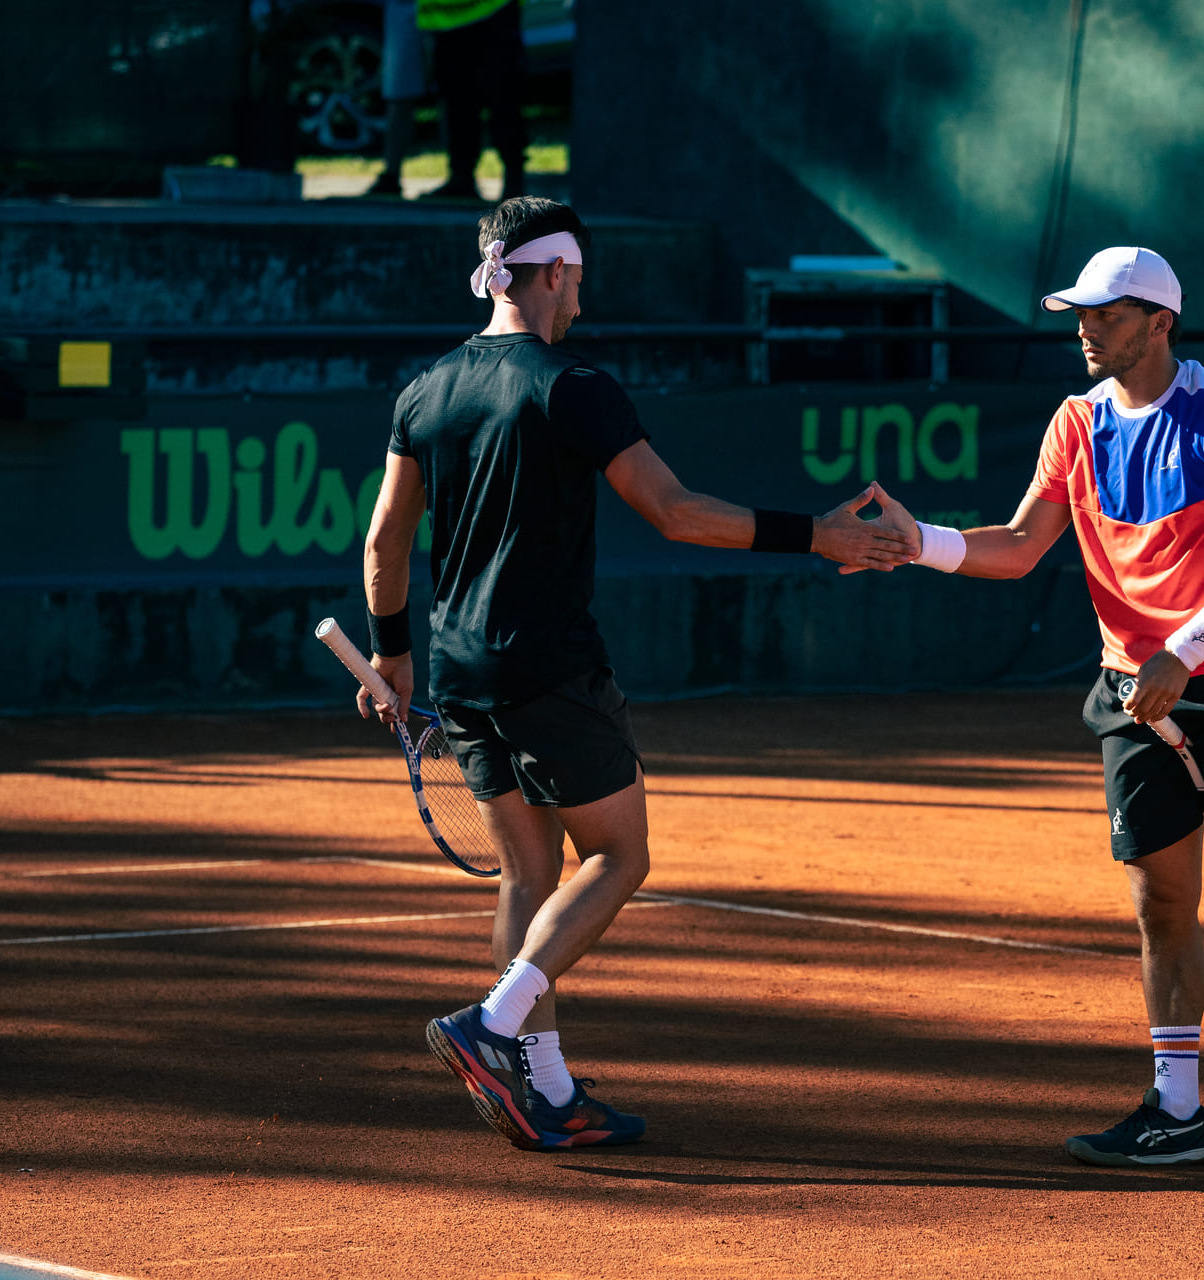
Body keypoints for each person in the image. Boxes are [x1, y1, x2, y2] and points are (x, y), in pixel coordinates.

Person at [355, 196, 915, 1150]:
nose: (580, 297)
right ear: (555, 272)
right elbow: (677, 511)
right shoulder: (575, 383)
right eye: (578, 279)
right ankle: (492, 1028)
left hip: (461, 669)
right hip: (550, 668)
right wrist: (819, 536)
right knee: (620, 858)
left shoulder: (425, 390)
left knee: (528, 874)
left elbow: (382, 546)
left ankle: (546, 1089)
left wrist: (393, 653)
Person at [871, 246, 1204, 1166]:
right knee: (1163, 902)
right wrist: (918, 543)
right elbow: (1018, 545)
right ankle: (1178, 1108)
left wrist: (1184, 652)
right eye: (1079, 313)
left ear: (1160, 323)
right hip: (1132, 691)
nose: (1084, 328)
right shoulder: (1074, 423)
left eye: (1106, 315)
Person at [416, 0, 527, 201]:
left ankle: (512, 178)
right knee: (459, 102)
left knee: (500, 97)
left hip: (490, 12)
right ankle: (463, 177)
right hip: (448, 18)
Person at [365, 0, 424, 198]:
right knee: (399, 91)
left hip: (447, 11)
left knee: (455, 91)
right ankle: (391, 172)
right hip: (406, 6)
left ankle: (461, 174)